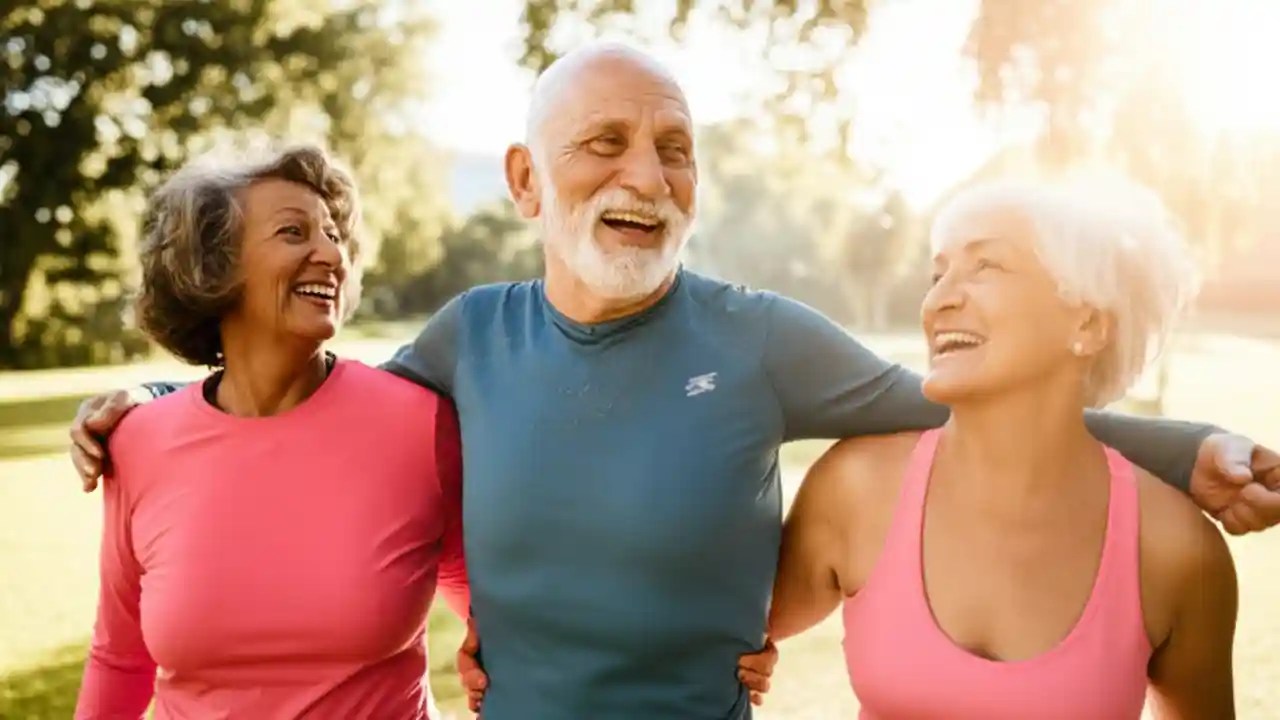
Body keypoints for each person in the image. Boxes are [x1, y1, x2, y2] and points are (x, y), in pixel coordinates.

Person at [68, 45, 1280, 719]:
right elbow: (313, 429)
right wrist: (146, 414)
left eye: (674, 149)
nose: (645, 174)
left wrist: (1181, 449)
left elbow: (969, 401)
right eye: (604, 144)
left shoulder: (761, 339)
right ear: (525, 180)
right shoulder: (463, 340)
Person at [758, 179, 1238, 719]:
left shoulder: (1178, 550)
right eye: (938, 275)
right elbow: (706, 633)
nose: (939, 300)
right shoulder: (856, 488)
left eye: (986, 267)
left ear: (1087, 322)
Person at [73, 146, 470, 719]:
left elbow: (492, 610)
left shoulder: (418, 422)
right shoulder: (137, 443)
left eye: (333, 234)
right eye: (294, 232)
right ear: (216, 265)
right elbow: (121, 658)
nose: (331, 253)